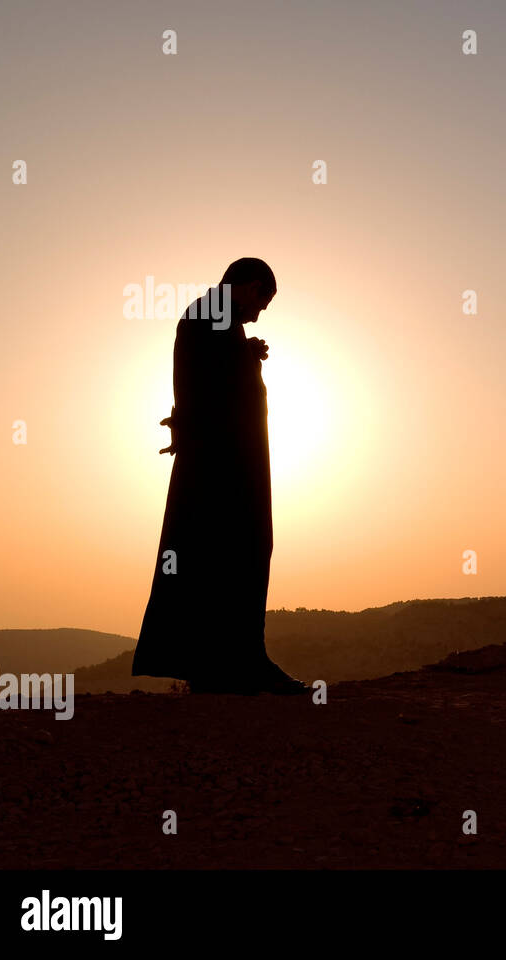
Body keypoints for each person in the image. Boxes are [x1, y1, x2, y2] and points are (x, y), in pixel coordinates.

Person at [133, 258, 308, 694]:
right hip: (222, 465)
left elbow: (213, 378)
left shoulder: (219, 322)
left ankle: (219, 666)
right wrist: (186, 425)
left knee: (220, 554)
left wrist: (245, 354)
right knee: (234, 550)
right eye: (261, 302)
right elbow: (196, 384)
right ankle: (240, 664)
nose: (259, 314)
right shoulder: (207, 318)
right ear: (249, 287)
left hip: (227, 461)